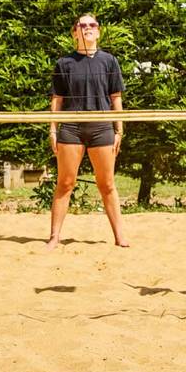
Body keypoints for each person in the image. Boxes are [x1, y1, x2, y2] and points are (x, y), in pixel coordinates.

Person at [47, 13, 127, 249]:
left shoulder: (109, 61)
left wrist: (119, 130)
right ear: (75, 33)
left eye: (92, 25)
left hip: (102, 127)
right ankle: (54, 237)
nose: (88, 28)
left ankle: (120, 236)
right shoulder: (64, 63)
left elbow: (116, 98)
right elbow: (57, 100)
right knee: (65, 183)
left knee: (107, 184)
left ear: (99, 31)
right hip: (71, 128)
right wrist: (52, 130)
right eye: (83, 25)